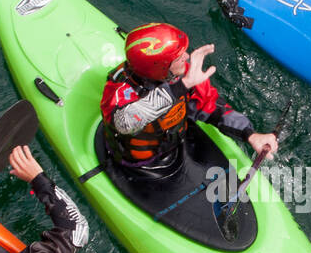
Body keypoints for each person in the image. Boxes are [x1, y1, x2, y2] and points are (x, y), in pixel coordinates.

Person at [100, 23, 278, 178]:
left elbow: (211, 107)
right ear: (160, 67)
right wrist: (181, 86)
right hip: (138, 165)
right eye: (178, 57)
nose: (187, 57)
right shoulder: (120, 91)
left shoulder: (180, 74)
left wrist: (250, 135)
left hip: (174, 144)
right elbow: (124, 122)